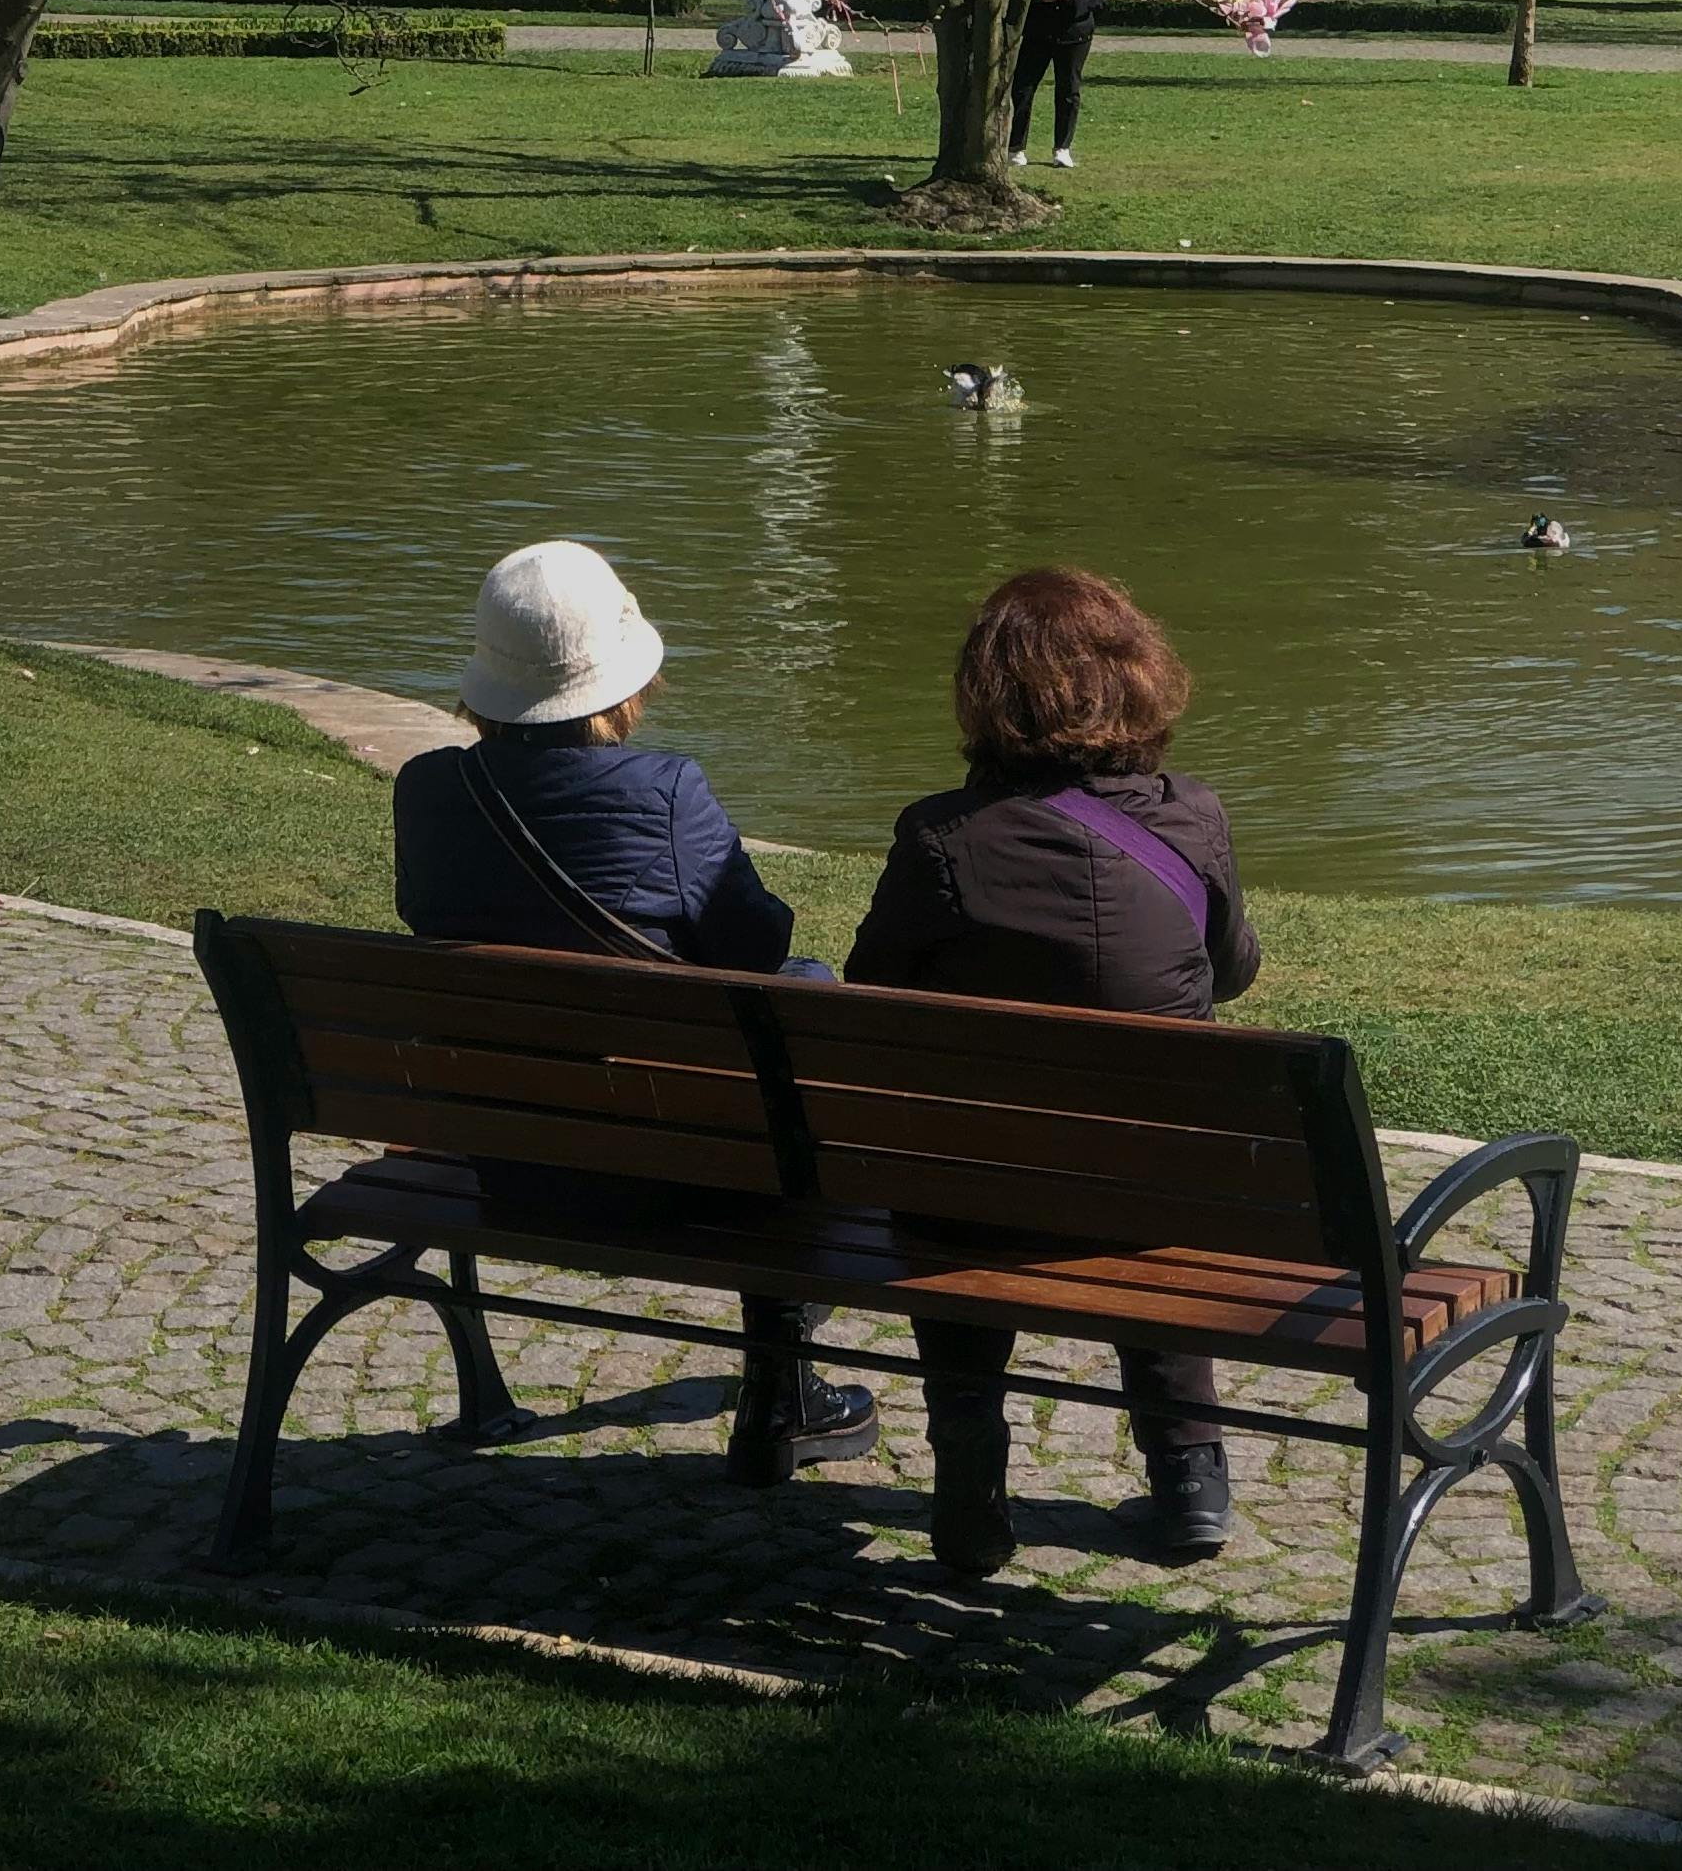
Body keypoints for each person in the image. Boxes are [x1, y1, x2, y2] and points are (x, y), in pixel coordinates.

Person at [394, 539, 880, 1486]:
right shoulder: (665, 793)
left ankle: (782, 1385)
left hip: (511, 1159)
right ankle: (779, 1385)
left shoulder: (428, 793)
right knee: (808, 1005)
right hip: (682, 1172)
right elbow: (758, 948)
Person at [847, 566, 1262, 1576]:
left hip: (973, 1194)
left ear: (984, 693)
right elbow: (1233, 970)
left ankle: (967, 1483)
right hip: (1148, 1192)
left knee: (950, 1171)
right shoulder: (1192, 817)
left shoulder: (937, 837)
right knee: (1146, 1165)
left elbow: (868, 992)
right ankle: (1189, 1473)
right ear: (1135, 682)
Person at [1009, 0, 1106, 171]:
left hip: (1074, 34)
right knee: (1023, 88)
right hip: (1038, 31)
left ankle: (1062, 148)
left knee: (1068, 91)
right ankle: (1016, 147)